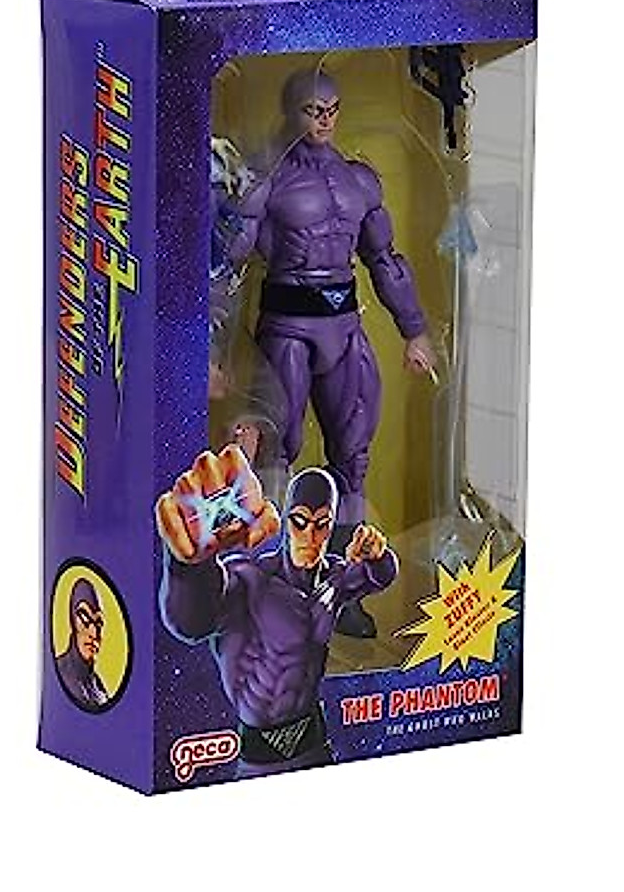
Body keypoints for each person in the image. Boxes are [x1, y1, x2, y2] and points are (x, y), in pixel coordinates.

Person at [224, 67, 434, 636]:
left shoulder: (360, 181)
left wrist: (415, 330)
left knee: (354, 459)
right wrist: (213, 351)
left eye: (332, 110)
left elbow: (385, 261)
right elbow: (228, 267)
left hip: (345, 330)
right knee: (277, 453)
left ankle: (344, 591)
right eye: (313, 111)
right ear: (292, 111)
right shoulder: (266, 181)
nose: (324, 120)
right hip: (287, 329)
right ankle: (271, 593)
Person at [156, 444, 397, 774]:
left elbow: (380, 576)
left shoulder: (333, 578)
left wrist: (377, 554)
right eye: (300, 521)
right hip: (259, 756)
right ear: (285, 519)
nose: (310, 535)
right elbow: (191, 622)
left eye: (322, 524)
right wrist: (190, 566)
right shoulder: (252, 579)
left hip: (314, 742)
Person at [55, 577, 110, 710]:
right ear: (72, 620)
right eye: (84, 617)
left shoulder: (97, 684)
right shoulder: (61, 671)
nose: (93, 633)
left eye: (99, 623)